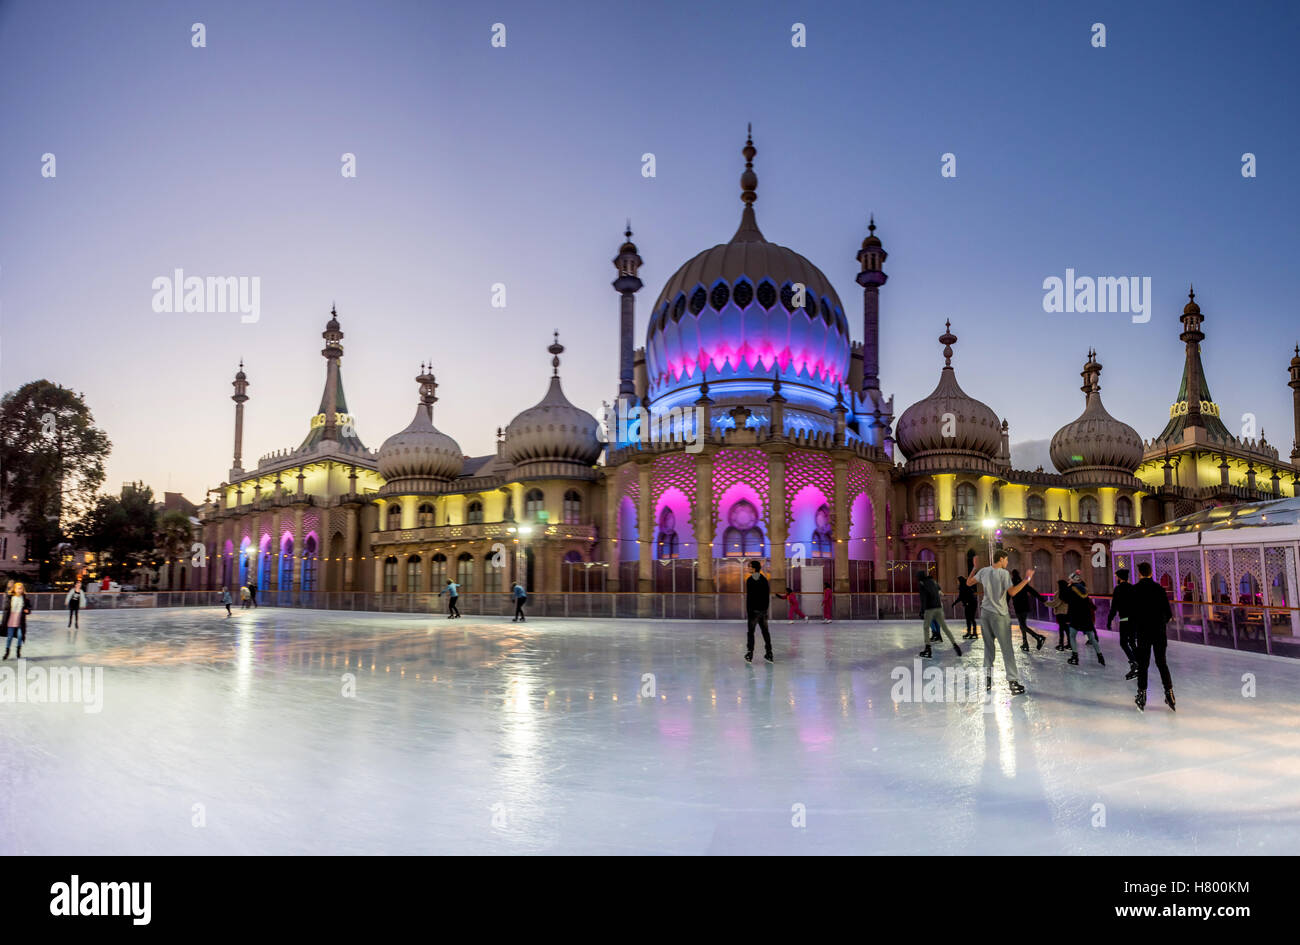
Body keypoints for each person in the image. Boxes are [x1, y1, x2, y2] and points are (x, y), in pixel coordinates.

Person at [965, 551, 1033, 695]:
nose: (1007, 563)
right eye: (1006, 560)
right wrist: (1027, 579)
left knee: (989, 647)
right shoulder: (1003, 573)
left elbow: (968, 582)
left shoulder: (983, 571)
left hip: (985, 614)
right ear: (1001, 559)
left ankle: (988, 680)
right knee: (1007, 648)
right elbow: (1013, 592)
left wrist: (974, 567)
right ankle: (1013, 682)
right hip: (999, 615)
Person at [1131, 561, 1175, 711]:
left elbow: (1132, 615)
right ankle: (1169, 693)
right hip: (1159, 633)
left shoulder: (1135, 590)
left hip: (1143, 633)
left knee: (1143, 665)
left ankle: (1142, 695)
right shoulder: (1160, 590)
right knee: (1161, 662)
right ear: (1150, 573)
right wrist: (1160, 624)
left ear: (1140, 574)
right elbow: (1168, 614)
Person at [918, 571, 961, 659]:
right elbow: (939, 591)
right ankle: (955, 644)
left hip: (930, 609)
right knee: (945, 627)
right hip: (939, 607)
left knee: (926, 627)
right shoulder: (933, 582)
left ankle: (928, 648)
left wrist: (922, 611)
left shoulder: (922, 584)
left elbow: (924, 598)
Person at [1063, 577, 1104, 666]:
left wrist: (1068, 586)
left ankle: (1075, 657)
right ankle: (1100, 655)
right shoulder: (1085, 594)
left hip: (1075, 617)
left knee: (1072, 636)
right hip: (1086, 618)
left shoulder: (1071, 590)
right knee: (1091, 637)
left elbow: (1064, 598)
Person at [1107, 568, 1139, 680]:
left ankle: (1134, 664)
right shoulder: (1133, 588)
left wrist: (1109, 620)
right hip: (1134, 619)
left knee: (1124, 642)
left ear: (1120, 578)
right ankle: (1138, 663)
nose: (1116, 578)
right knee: (1132, 642)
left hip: (1125, 619)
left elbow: (1114, 606)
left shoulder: (1118, 589)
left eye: (1116, 576)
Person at [1009, 569, 1047, 651]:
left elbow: (1008, 595)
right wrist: (1043, 600)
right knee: (1022, 625)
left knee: (1022, 625)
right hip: (1025, 607)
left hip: (1018, 607)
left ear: (1012, 575)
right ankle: (1025, 644)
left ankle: (1038, 637)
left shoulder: (1012, 583)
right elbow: (1033, 592)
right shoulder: (1023, 583)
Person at [744, 560, 773, 662]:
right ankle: (769, 653)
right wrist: (765, 608)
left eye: (749, 566)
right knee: (765, 632)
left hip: (753, 611)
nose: (748, 568)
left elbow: (750, 597)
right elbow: (766, 596)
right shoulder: (764, 580)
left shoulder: (750, 580)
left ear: (754, 568)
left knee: (751, 632)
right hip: (762, 611)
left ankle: (750, 653)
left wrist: (749, 610)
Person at [3, 582, 30, 660]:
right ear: (14, 589)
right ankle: (7, 652)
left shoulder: (24, 598)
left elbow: (29, 607)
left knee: (20, 636)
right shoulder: (10, 597)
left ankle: (18, 651)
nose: (19, 590)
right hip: (10, 621)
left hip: (19, 621)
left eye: (21, 588)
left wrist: (27, 610)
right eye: (18, 588)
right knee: (10, 637)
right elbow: (5, 607)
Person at [1049, 581, 1072, 650]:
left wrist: (1047, 603)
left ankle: (1061, 645)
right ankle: (1069, 644)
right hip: (1067, 613)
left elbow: (1055, 603)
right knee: (1067, 629)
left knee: (1061, 629)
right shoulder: (1069, 593)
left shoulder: (1059, 593)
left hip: (1060, 613)